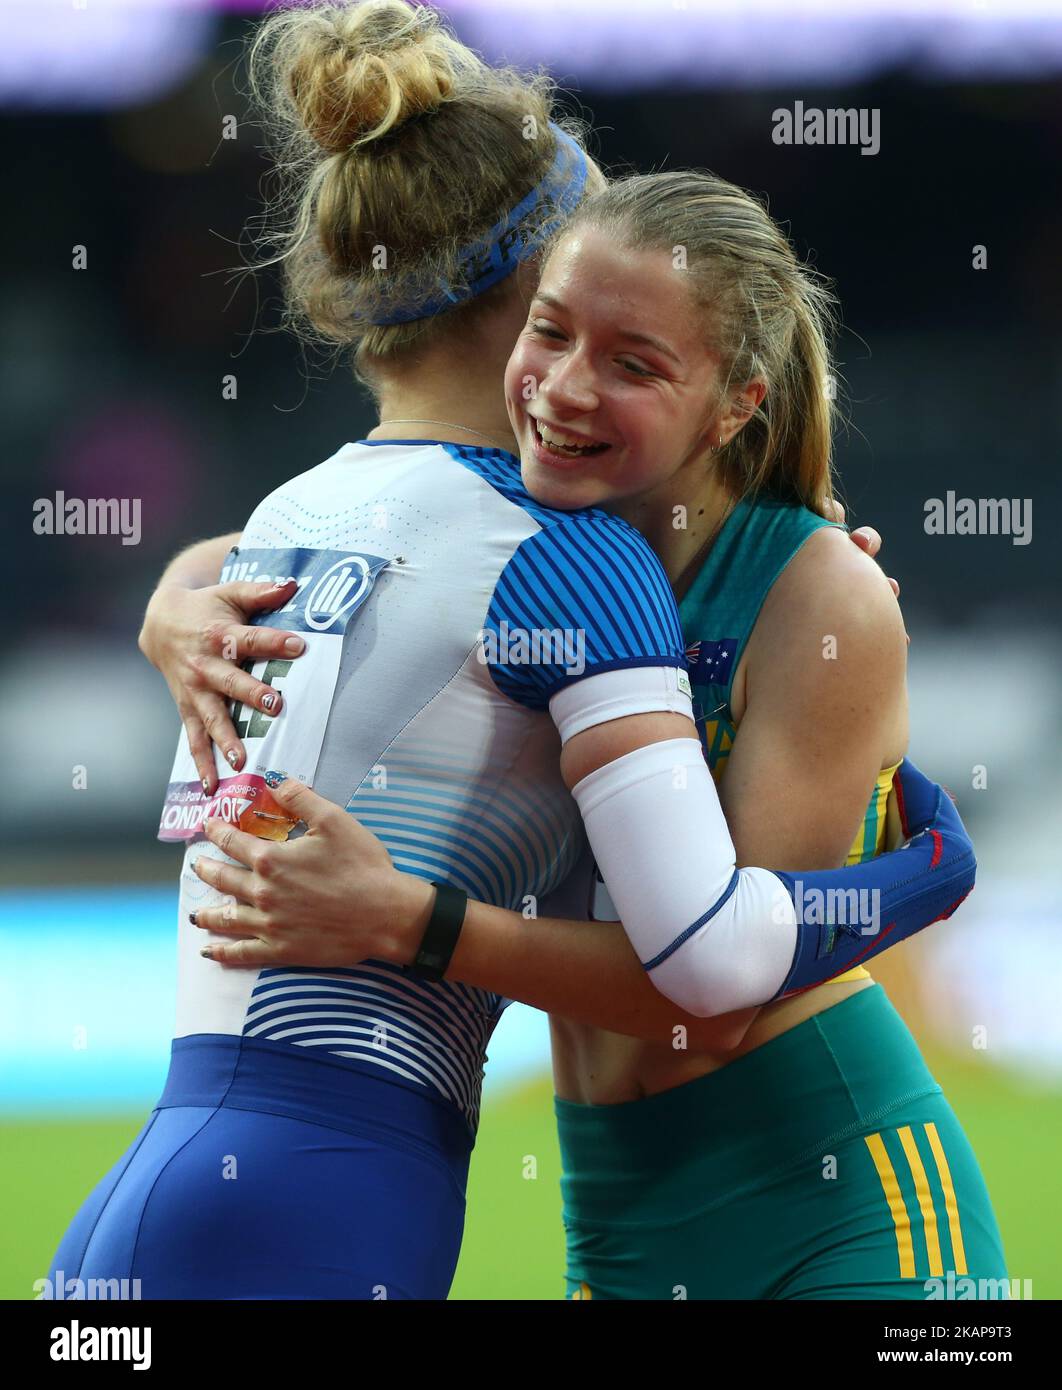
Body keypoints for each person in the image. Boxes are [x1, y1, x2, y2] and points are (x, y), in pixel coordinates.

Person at [48, 0, 981, 1302]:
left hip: (792, 1186)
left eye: (632, 352)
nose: (571, 380)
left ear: (731, 400)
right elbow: (704, 958)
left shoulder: (289, 522)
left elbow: (704, 1003)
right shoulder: (549, 555)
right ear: (525, 294)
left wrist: (180, 589)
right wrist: (920, 875)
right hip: (394, 1189)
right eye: (556, 327)